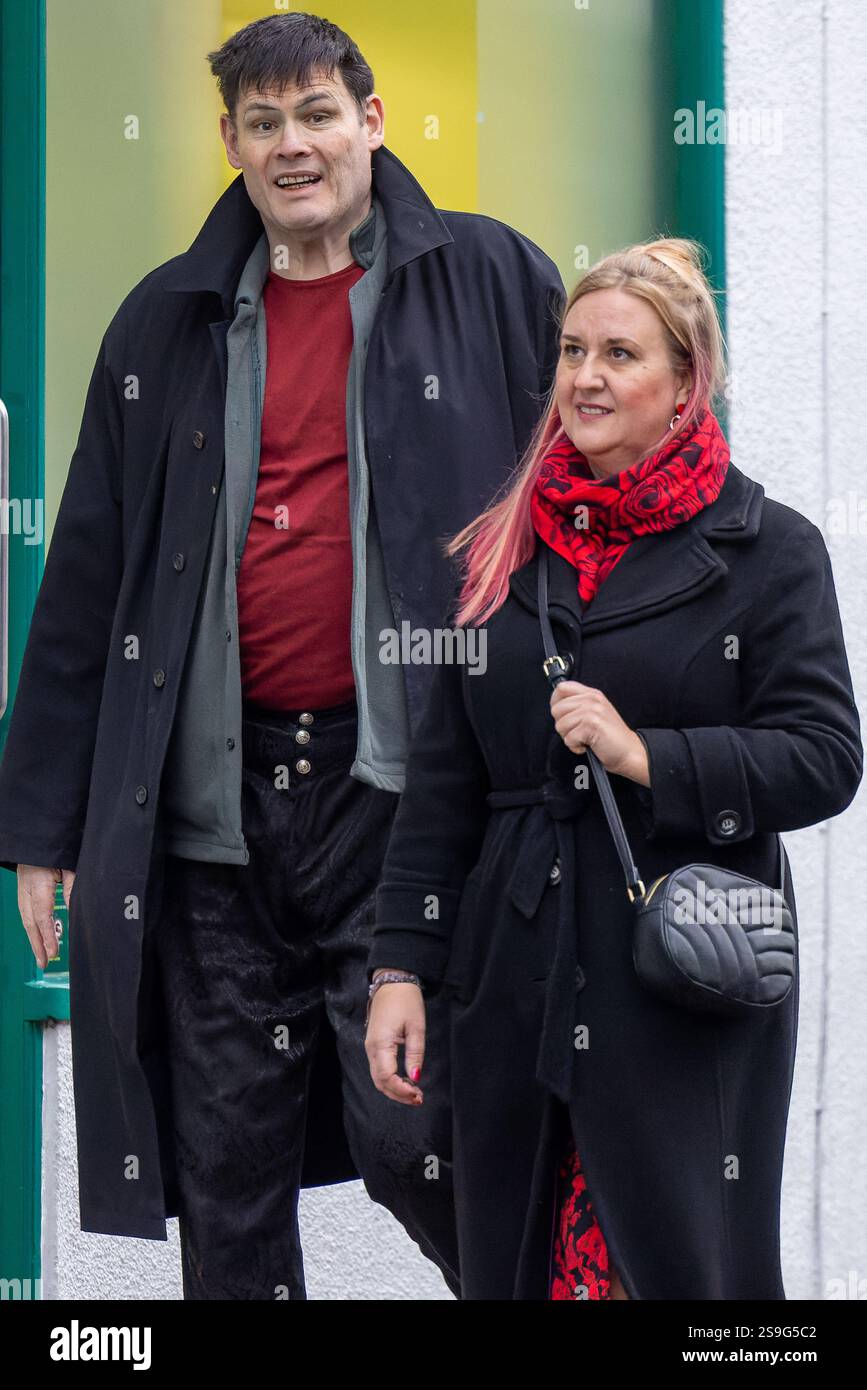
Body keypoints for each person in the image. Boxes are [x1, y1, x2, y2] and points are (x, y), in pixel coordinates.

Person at [0, 12, 565, 1299]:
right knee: (226, 1175)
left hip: (411, 804)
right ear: (232, 143)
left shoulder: (488, 279)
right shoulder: (169, 320)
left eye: (316, 114)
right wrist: (47, 820)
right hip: (215, 820)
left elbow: (590, 491)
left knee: (418, 1136)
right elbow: (90, 571)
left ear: (372, 119)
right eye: (264, 124)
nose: (292, 146)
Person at [365, 237, 863, 1300]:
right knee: (520, 1258)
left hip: (680, 978)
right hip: (513, 969)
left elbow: (825, 758)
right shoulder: (498, 548)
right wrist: (400, 964)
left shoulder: (770, 548)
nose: (584, 377)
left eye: (620, 354)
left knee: (684, 1272)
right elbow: (444, 786)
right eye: (573, 350)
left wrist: (651, 757)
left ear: (688, 381)